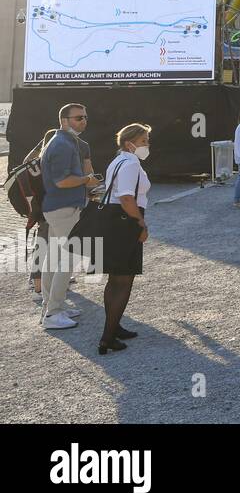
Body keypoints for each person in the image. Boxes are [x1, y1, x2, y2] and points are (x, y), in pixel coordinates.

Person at [38, 104, 98, 331]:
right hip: (64, 209)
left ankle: (53, 306)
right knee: (68, 259)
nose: (83, 121)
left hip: (59, 208)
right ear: (64, 120)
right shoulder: (62, 144)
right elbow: (62, 181)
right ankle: (53, 313)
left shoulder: (63, 141)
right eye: (78, 118)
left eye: (85, 117)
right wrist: (87, 180)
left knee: (53, 258)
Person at [96, 123, 151, 354]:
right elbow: (127, 198)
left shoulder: (118, 161)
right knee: (123, 281)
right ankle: (107, 338)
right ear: (130, 143)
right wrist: (140, 223)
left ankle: (114, 326)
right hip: (125, 221)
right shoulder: (129, 163)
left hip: (114, 221)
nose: (147, 146)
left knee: (115, 279)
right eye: (144, 142)